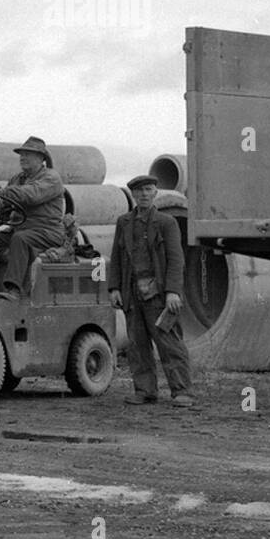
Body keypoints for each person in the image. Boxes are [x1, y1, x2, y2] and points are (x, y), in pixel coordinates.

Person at [109, 174, 194, 407]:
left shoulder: (167, 223)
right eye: (139, 191)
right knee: (137, 344)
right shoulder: (124, 222)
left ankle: (182, 391)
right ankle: (145, 391)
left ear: (155, 193)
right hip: (132, 292)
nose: (144, 195)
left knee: (169, 343)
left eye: (148, 190)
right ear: (133, 195)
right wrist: (114, 287)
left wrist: (173, 291)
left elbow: (177, 260)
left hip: (159, 294)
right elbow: (116, 257)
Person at [0, 136, 66, 300]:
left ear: (41, 158)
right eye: (22, 154)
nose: (23, 158)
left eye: (28, 154)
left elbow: (31, 195)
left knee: (20, 239)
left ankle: (14, 289)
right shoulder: (17, 179)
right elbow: (3, 207)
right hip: (20, 229)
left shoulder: (51, 178)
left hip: (47, 232)